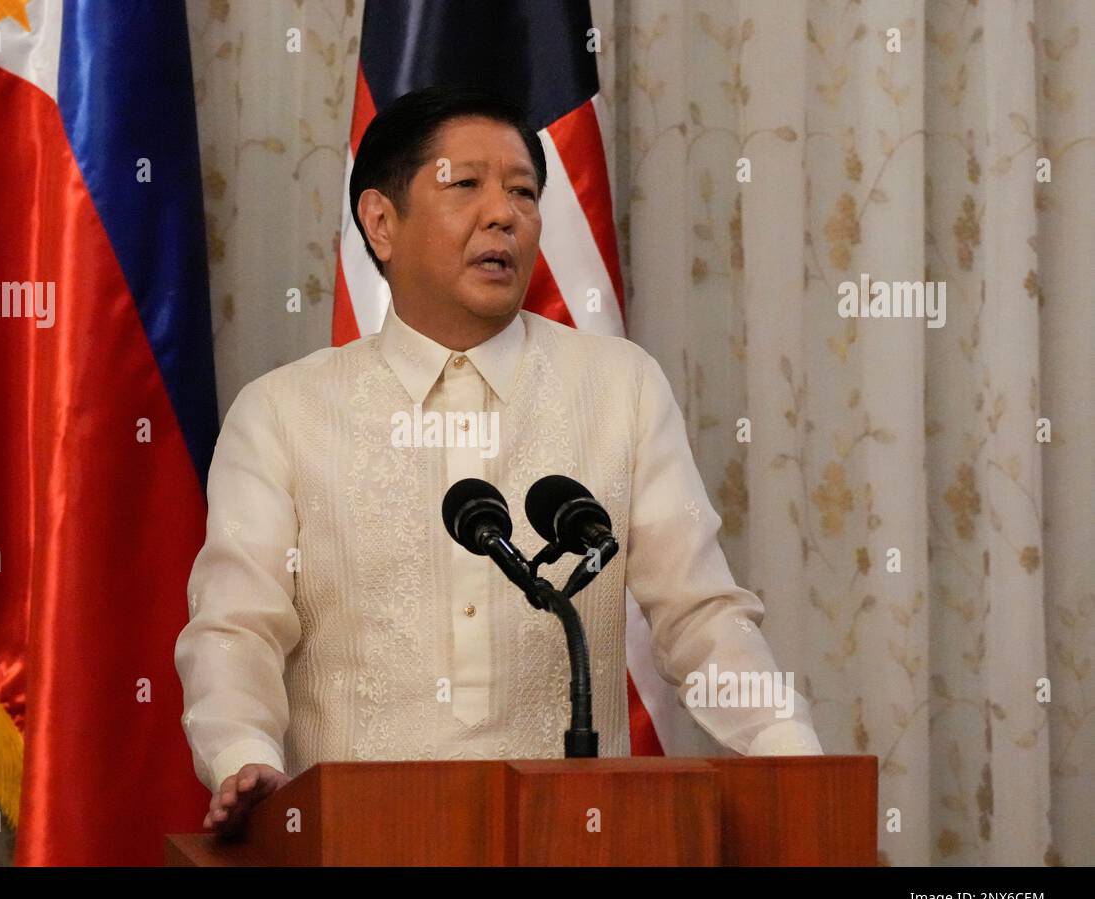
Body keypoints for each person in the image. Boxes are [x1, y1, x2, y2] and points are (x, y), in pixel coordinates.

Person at [176, 85, 822, 837]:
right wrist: (243, 755)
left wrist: (792, 761)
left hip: (578, 843)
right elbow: (236, 628)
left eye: (523, 191)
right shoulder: (283, 414)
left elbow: (698, 613)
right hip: (358, 843)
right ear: (381, 222)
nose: (504, 213)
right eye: (466, 185)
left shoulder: (620, 388)